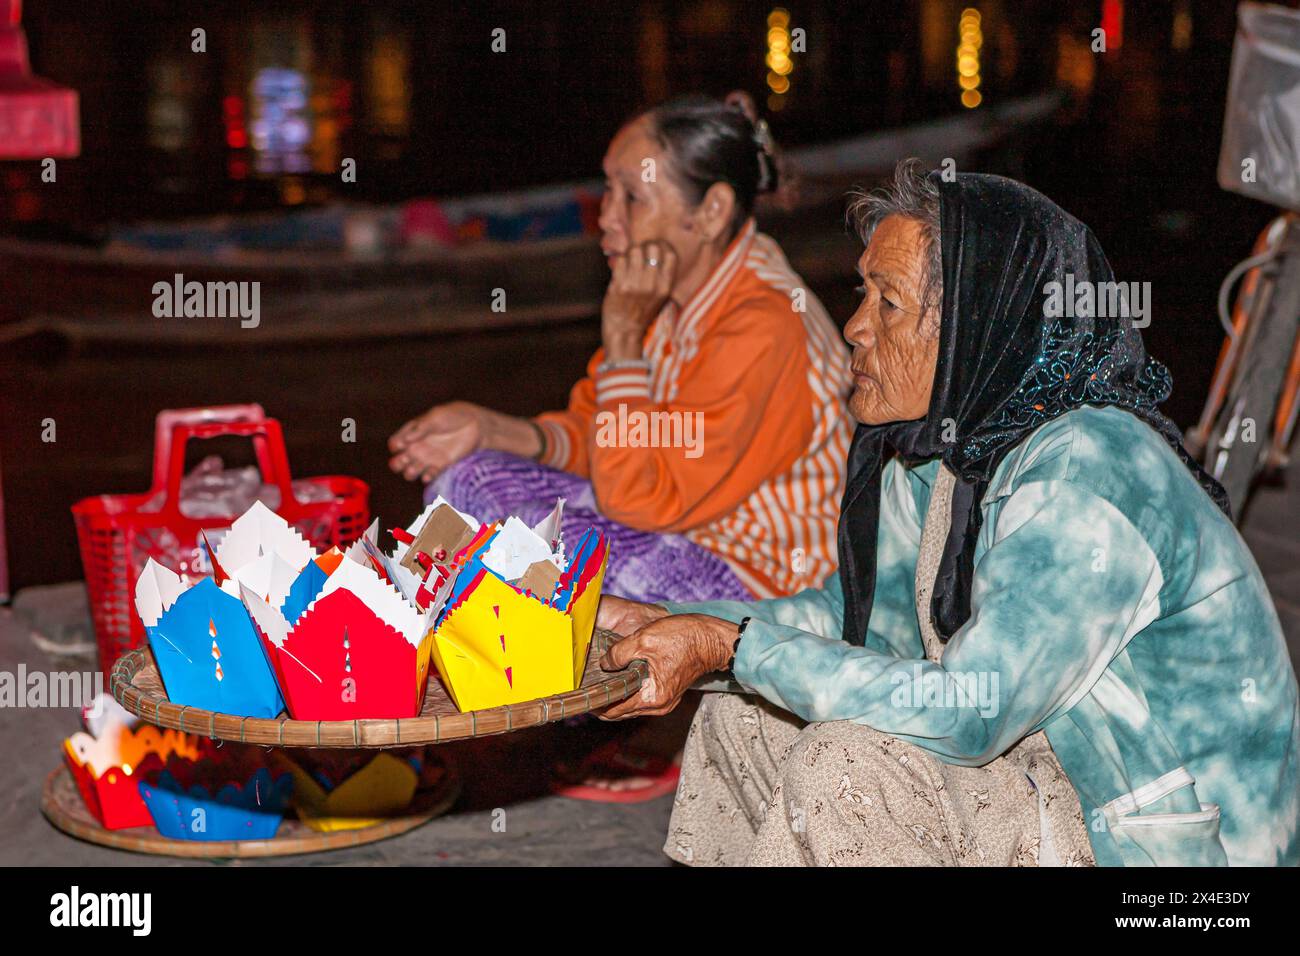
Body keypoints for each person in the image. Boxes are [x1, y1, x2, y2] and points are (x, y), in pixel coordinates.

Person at [594, 160, 1300, 866]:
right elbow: (865, 631)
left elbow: (970, 712)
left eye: (888, 303)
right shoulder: (942, 451)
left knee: (846, 765)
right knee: (744, 711)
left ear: (977, 321)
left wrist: (734, 646)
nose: (854, 328)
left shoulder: (1088, 471)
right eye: (862, 294)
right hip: (1058, 781)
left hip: (1179, 858)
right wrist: (680, 629)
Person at [388, 93, 853, 800]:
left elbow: (638, 497)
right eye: (606, 189)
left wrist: (624, 341)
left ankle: (594, 718)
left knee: (504, 546)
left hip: (763, 586)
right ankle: (488, 701)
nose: (605, 216)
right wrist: (487, 429)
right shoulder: (682, 292)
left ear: (712, 211)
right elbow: (595, 438)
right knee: (464, 485)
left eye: (630, 196)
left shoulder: (763, 324)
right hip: (676, 528)